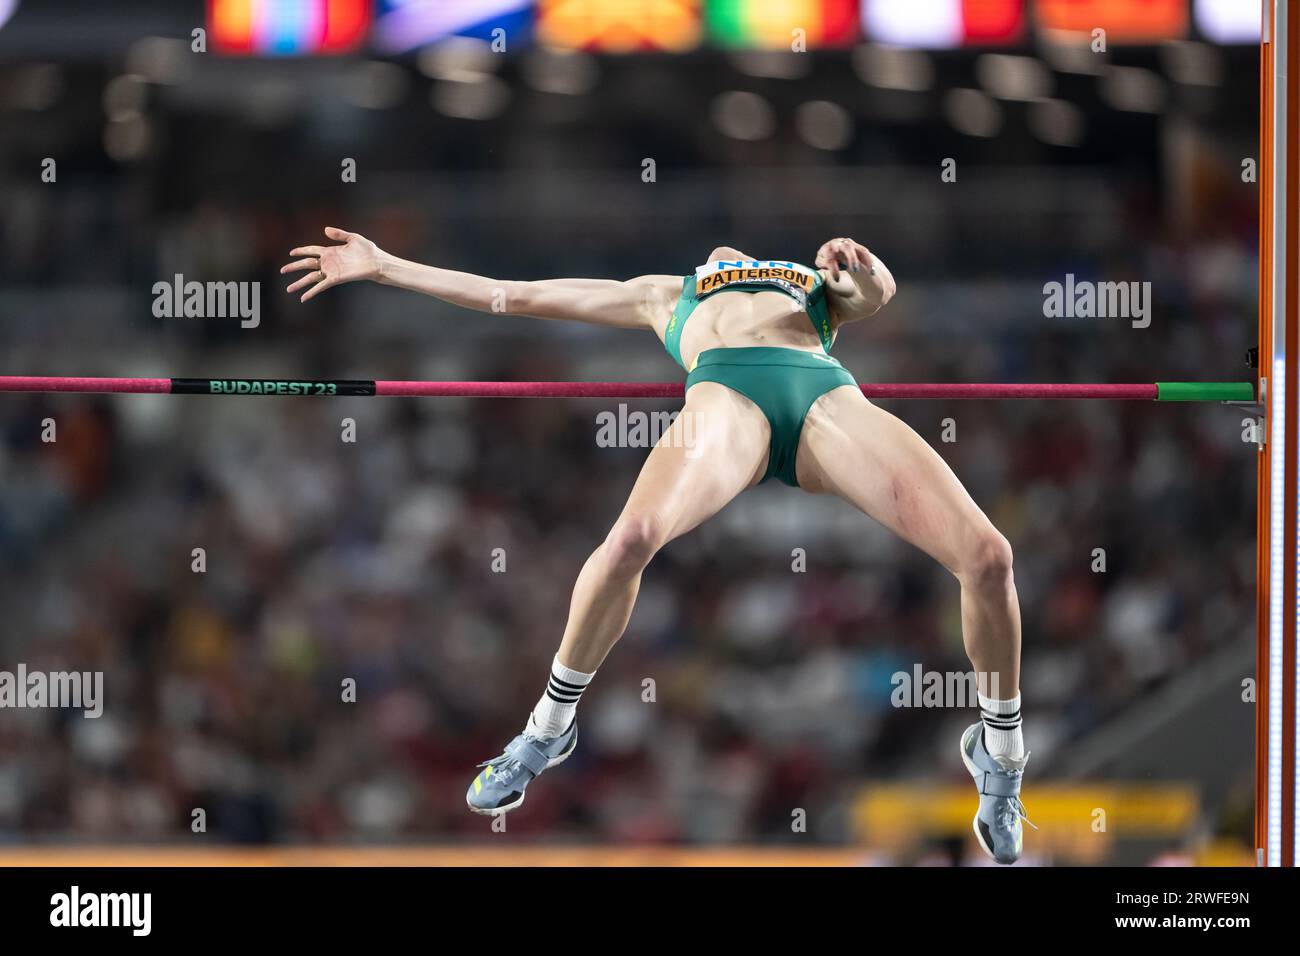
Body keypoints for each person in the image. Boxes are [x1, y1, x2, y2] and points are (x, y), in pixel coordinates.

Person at [281, 228, 1031, 863]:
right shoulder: (664, 292)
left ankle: (1000, 757)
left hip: (825, 397)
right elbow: (514, 292)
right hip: (728, 407)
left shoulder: (806, 278)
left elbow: (875, 299)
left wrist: (863, 270)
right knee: (632, 537)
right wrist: (386, 267)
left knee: (989, 556)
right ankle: (548, 729)